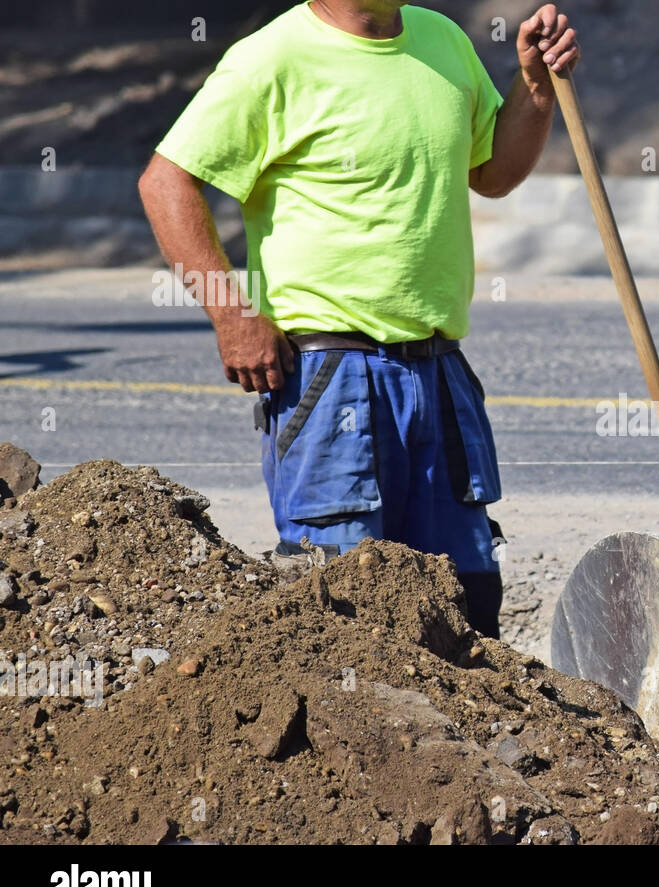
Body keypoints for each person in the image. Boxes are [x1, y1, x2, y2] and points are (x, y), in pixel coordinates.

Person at [138, 1, 581, 638]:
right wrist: (232, 314)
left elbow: (493, 173)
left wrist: (535, 89)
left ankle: (465, 738)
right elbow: (165, 183)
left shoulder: (444, 40)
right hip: (328, 374)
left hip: (438, 369)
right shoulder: (273, 57)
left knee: (467, 598)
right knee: (345, 603)